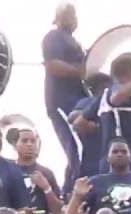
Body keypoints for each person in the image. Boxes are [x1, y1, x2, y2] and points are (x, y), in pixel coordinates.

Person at [43, 2, 87, 167]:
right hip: (62, 100)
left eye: (74, 15)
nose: (73, 19)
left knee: (84, 147)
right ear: (59, 18)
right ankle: (70, 189)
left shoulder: (75, 41)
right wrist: (83, 72)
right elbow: (53, 66)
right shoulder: (53, 37)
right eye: (68, 14)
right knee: (75, 148)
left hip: (77, 100)